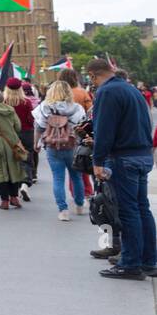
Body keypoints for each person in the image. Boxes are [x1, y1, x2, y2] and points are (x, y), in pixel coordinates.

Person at [86, 59, 157, 279]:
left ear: (93, 75)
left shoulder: (107, 92)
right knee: (141, 209)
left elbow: (105, 130)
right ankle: (149, 260)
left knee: (128, 211)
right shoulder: (132, 89)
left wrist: (97, 160)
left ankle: (131, 263)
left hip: (122, 158)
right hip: (141, 155)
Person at [32, 80, 88, 222]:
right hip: (72, 145)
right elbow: (82, 126)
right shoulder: (76, 107)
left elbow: (39, 127)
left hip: (52, 145)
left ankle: (63, 210)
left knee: (58, 178)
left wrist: (36, 143)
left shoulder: (44, 107)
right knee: (76, 177)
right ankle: (80, 205)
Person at [5, 78, 38, 201]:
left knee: (12, 160)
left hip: (10, 134)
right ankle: (25, 184)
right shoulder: (26, 102)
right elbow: (31, 119)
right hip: (26, 133)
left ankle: (14, 187)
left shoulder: (4, 102)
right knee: (26, 159)